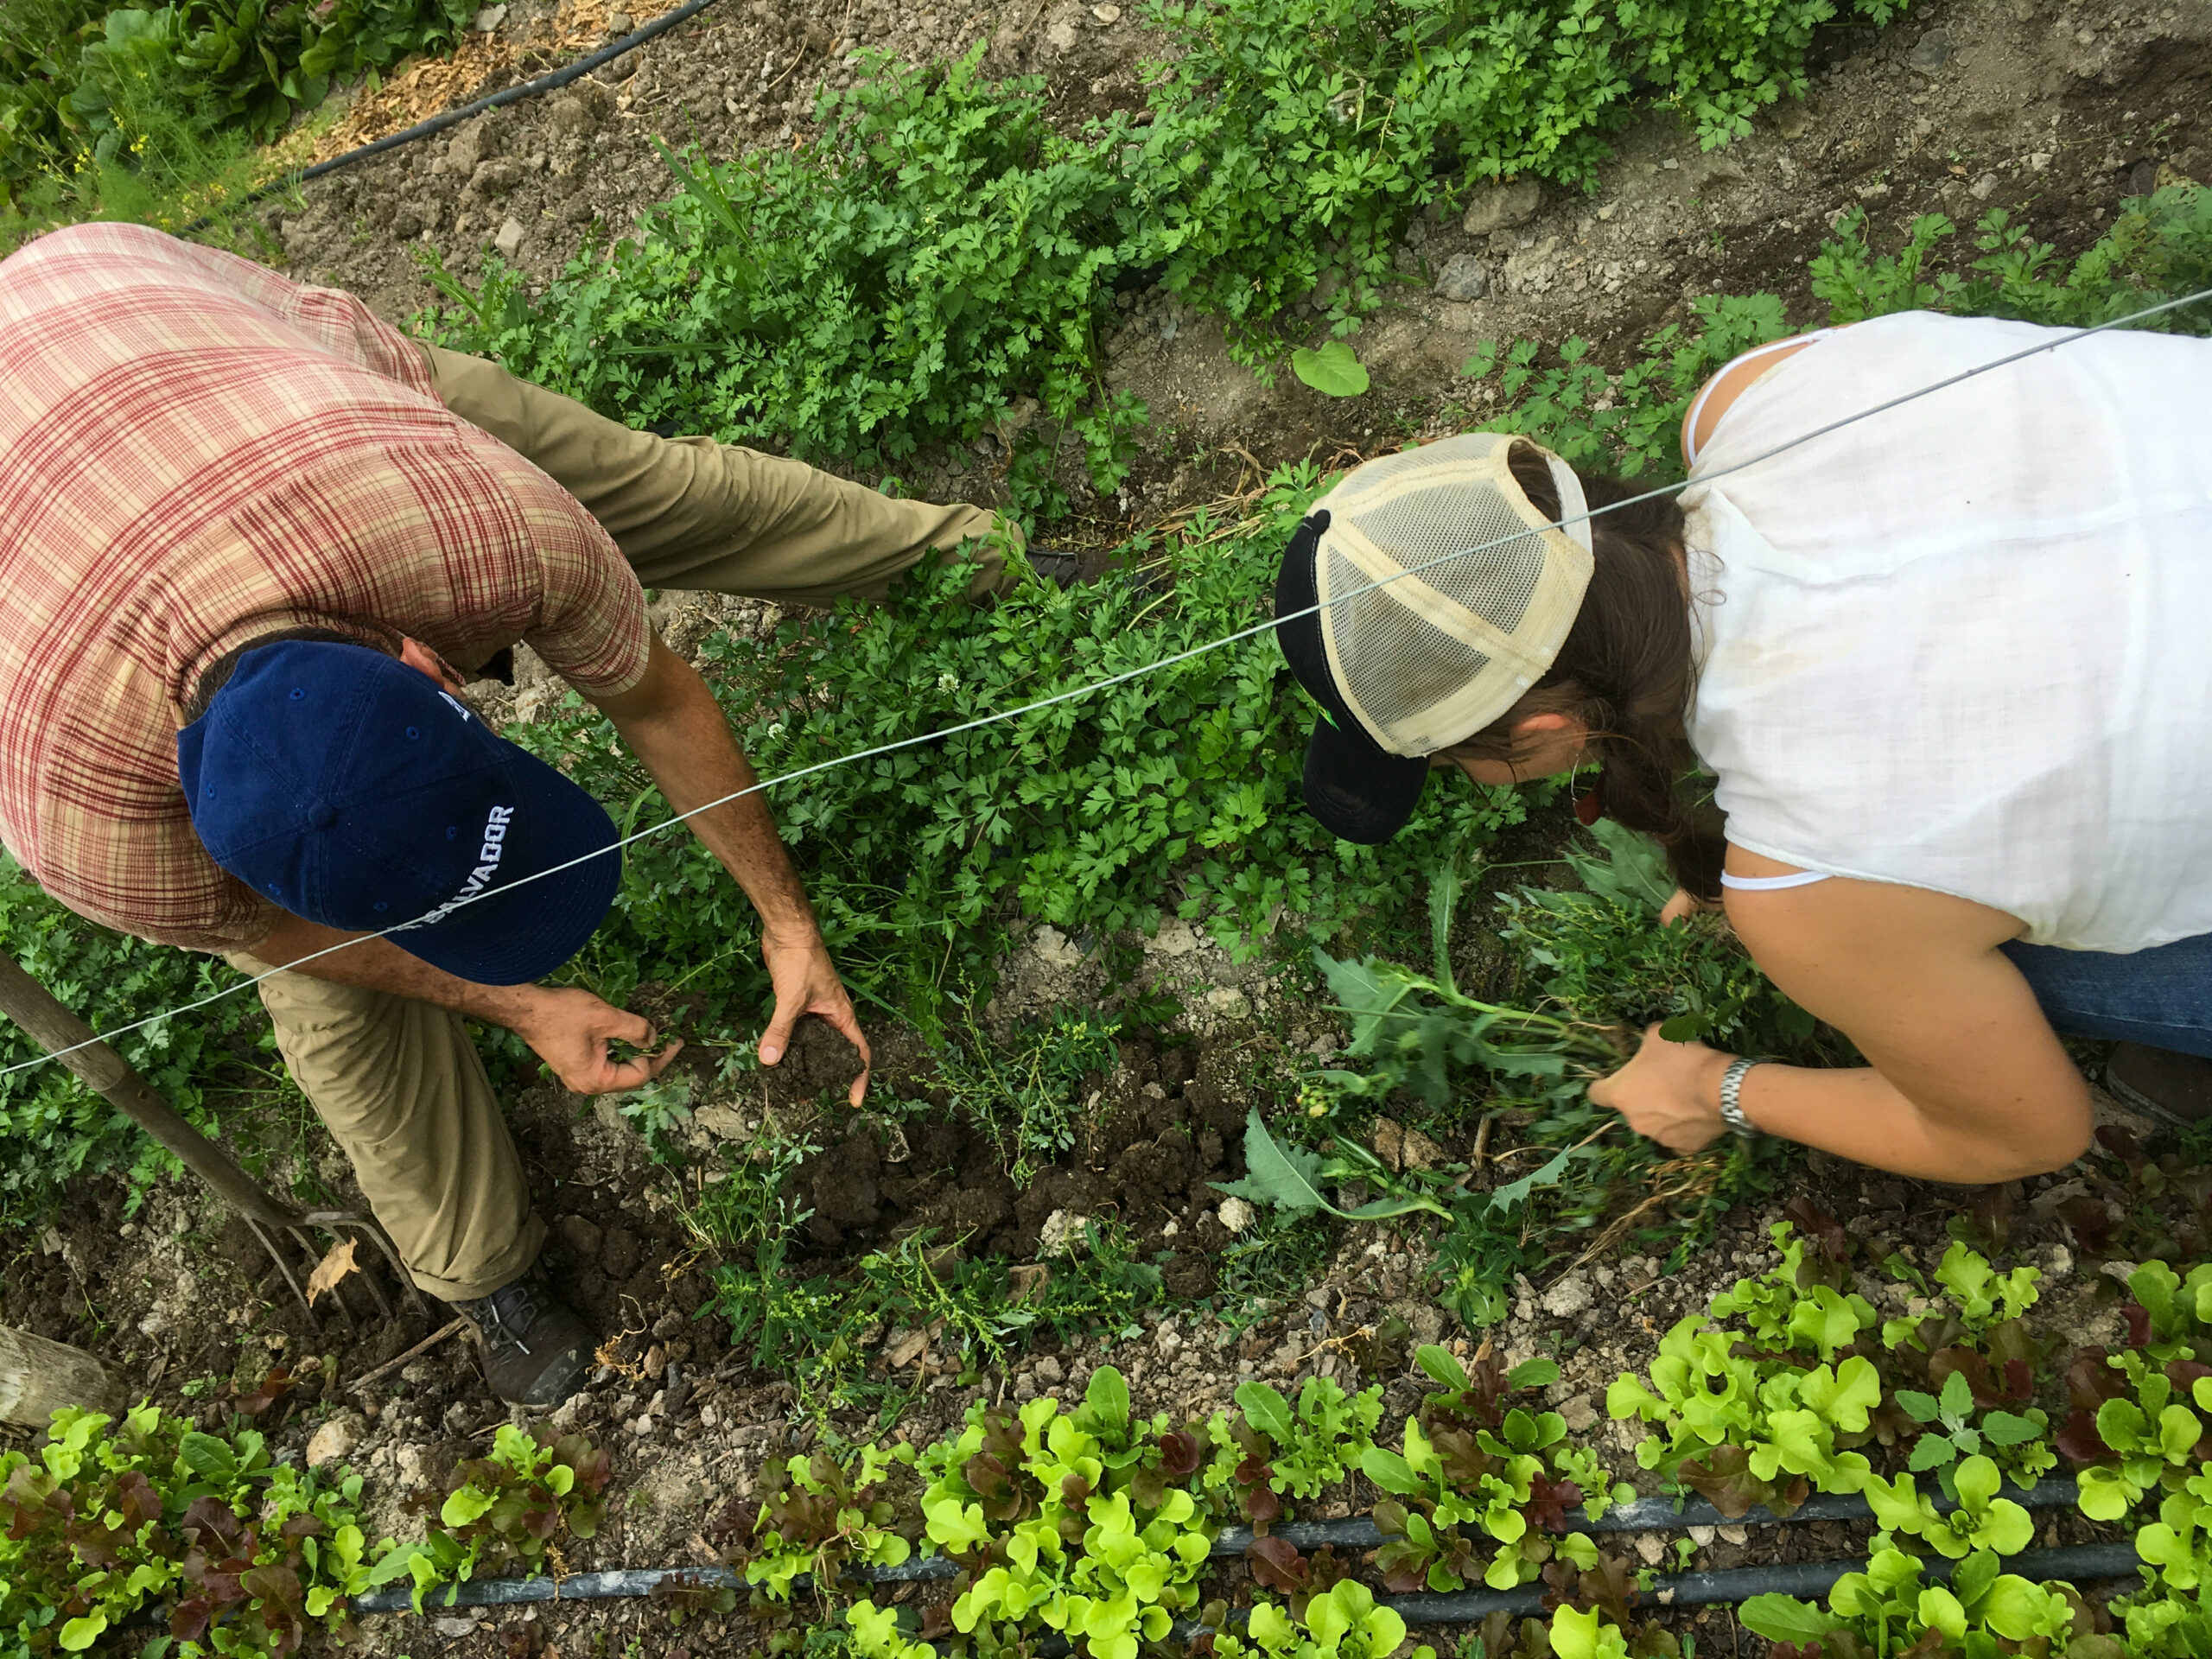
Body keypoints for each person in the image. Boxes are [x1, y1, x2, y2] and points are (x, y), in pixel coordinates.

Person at [0, 221, 1060, 1404]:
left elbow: (653, 696)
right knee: (329, 998)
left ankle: (975, 561)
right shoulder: (92, 836)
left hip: (165, 329)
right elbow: (294, 932)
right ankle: (486, 1276)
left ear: (428, 661)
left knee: (656, 494)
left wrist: (784, 917)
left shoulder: (472, 517)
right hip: (54, 566)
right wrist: (509, 1001)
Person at [1274, 308, 2212, 1184]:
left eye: (1452, 764)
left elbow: (2024, 1135)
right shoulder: (1762, 393)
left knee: (1983, 955)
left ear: (1545, 731)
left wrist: (1712, 1088)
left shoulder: (1811, 895)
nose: (1472, 782)